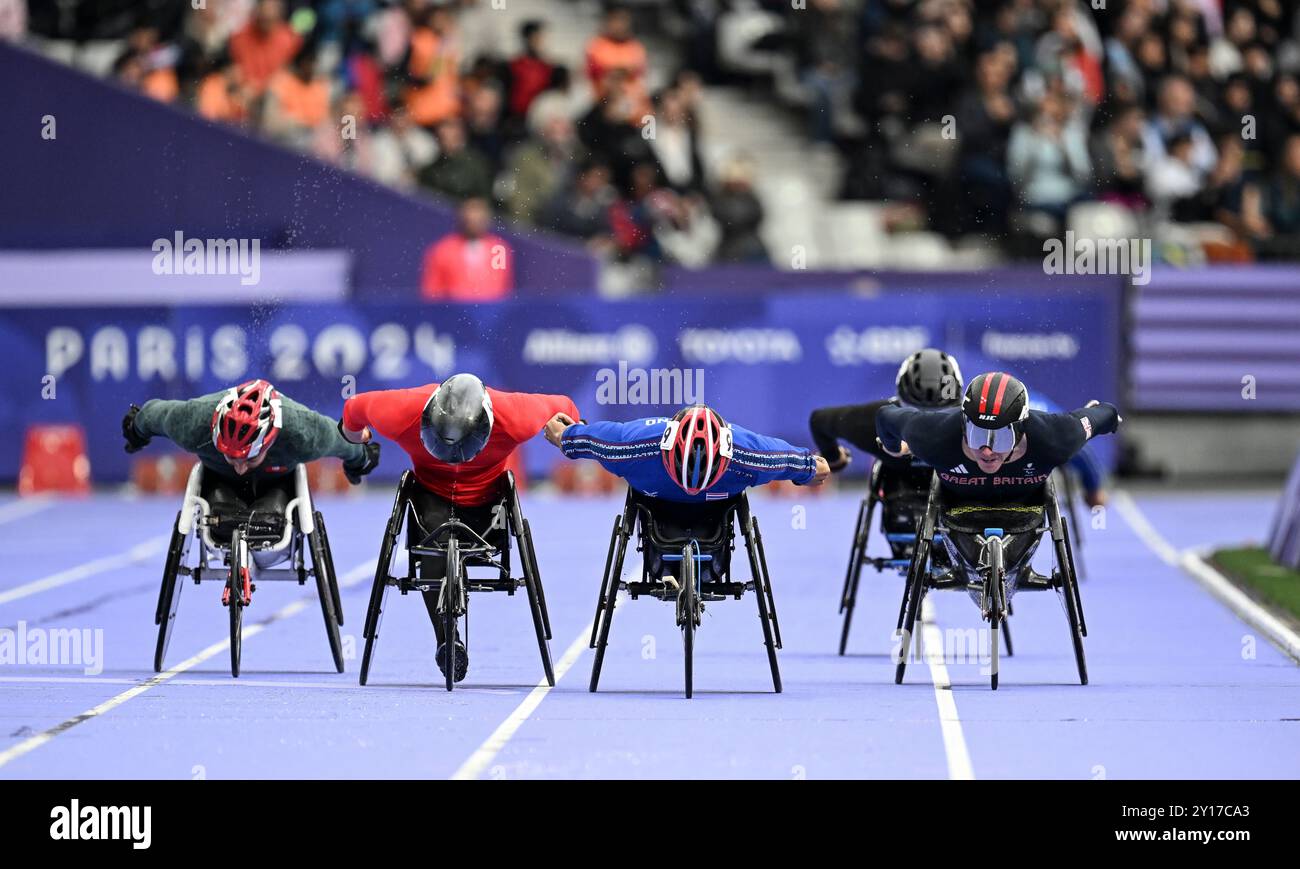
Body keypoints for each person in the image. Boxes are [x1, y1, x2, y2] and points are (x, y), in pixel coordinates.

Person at [341, 374, 579, 682]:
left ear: (486, 426)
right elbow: (353, 410)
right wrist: (357, 442)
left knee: (437, 533)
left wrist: (571, 434)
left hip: (488, 505)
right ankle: (447, 641)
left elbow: (568, 407)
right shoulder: (401, 410)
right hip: (431, 496)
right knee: (432, 539)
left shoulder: (516, 415)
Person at [121, 379, 381, 548]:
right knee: (222, 526)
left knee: (269, 526)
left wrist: (361, 461)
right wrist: (135, 429)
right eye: (231, 456)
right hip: (218, 481)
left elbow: (347, 444)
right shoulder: (193, 422)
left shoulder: (304, 432)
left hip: (278, 484)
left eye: (249, 458)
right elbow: (152, 415)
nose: (240, 467)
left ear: (268, 443)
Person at [875, 371, 1120, 506]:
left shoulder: (1056, 435)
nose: (988, 451)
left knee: (1068, 447)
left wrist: (1093, 492)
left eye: (1001, 439)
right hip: (956, 503)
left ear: (1022, 430)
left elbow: (1105, 414)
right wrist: (897, 447)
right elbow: (885, 416)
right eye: (977, 435)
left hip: (1026, 503)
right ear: (963, 426)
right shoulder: (932, 434)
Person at [546, 404, 830, 504]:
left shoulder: (626, 447)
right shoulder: (636, 443)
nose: (691, 490)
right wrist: (810, 469)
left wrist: (566, 436)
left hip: (698, 521)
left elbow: (565, 436)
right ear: (666, 445)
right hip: (690, 516)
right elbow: (815, 469)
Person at [809, 348, 963, 476]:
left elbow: (819, 421)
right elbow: (818, 421)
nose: (928, 427)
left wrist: (834, 458)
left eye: (939, 416)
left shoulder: (870, 421)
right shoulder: (874, 420)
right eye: (917, 416)